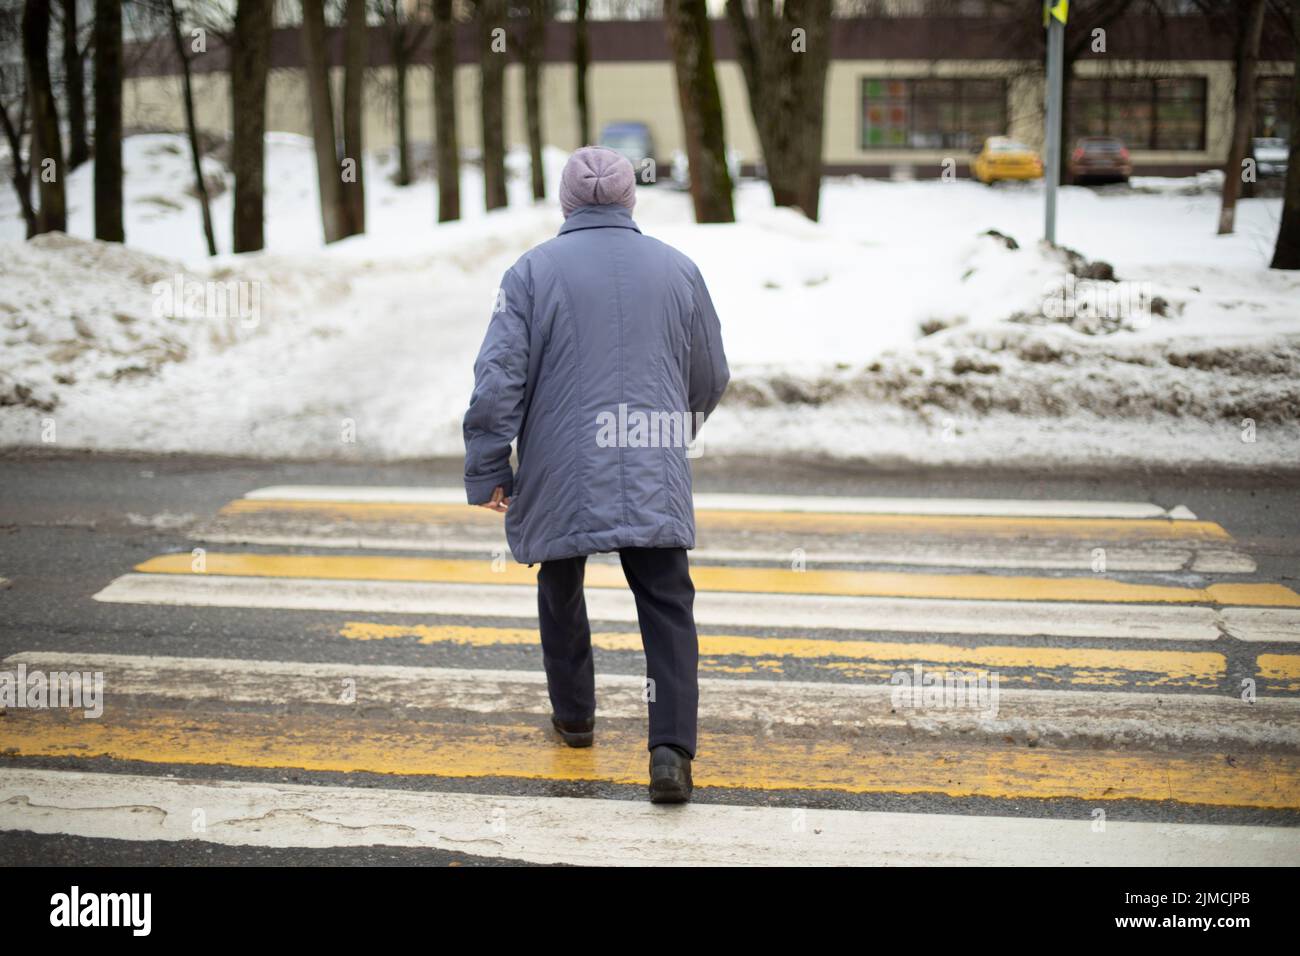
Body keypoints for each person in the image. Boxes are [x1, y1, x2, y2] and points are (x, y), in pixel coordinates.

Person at [462, 146, 730, 804]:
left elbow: (499, 379)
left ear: (567, 203)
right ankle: (669, 751)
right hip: (652, 454)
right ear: (631, 199)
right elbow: (710, 372)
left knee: (560, 580)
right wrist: (672, 430)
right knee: (668, 601)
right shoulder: (678, 269)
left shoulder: (530, 273)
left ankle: (575, 719)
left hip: (561, 460)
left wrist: (491, 464)